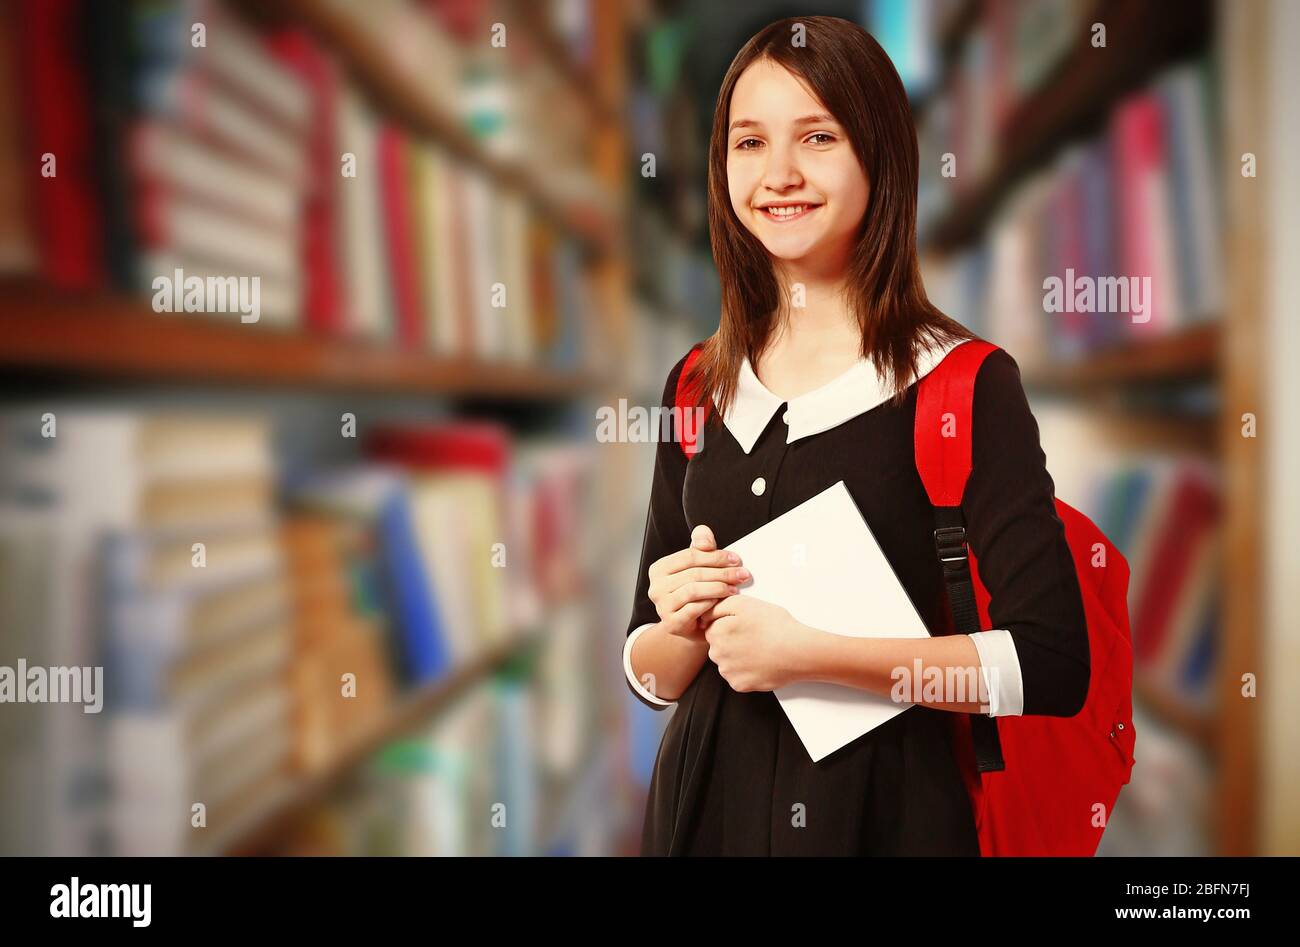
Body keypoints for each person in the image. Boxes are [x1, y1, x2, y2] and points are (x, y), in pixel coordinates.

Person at [621, 16, 1090, 856]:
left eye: (818, 137)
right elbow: (650, 676)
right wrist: (679, 627)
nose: (779, 174)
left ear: (879, 153)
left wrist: (816, 655)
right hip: (700, 814)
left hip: (885, 815)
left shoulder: (963, 384)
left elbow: (1050, 664)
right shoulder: (695, 384)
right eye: (749, 142)